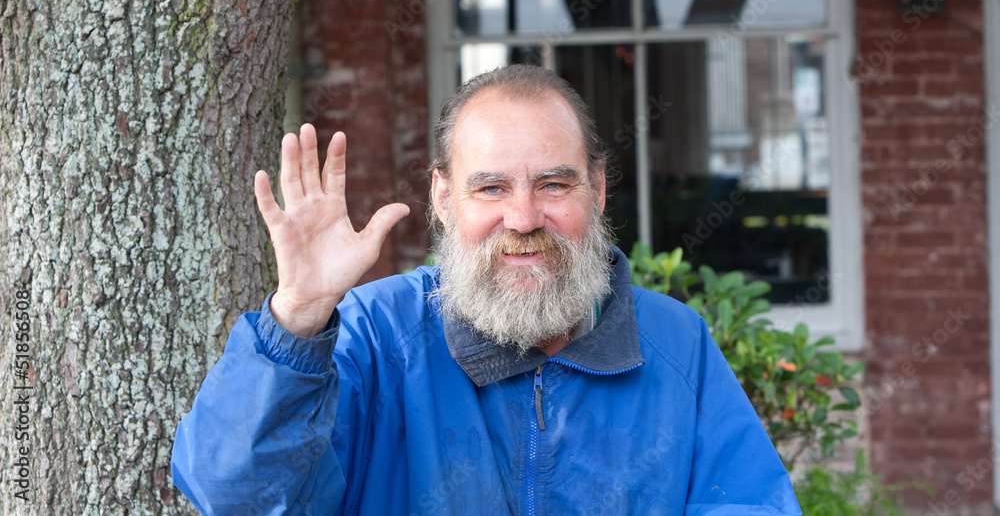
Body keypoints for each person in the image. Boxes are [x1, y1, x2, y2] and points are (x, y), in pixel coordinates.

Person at [172, 65, 802, 514]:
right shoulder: (374, 335)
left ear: (598, 190)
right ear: (443, 197)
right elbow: (235, 496)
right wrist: (297, 319)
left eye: (554, 185)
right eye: (491, 188)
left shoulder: (674, 343)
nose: (524, 219)